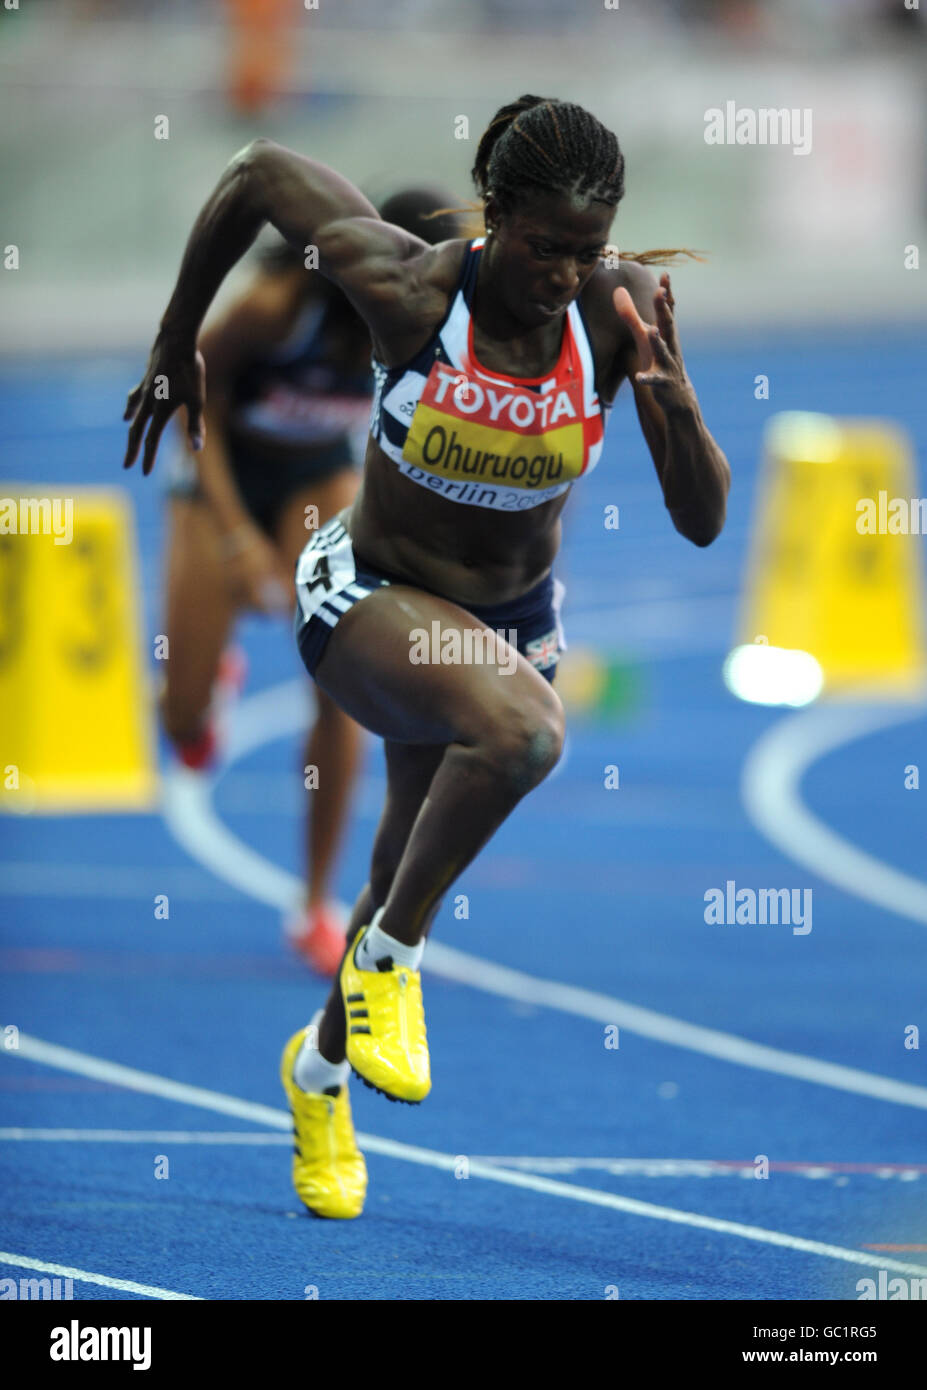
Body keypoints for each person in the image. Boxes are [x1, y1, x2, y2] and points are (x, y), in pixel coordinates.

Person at [124, 94, 731, 1220]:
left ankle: (315, 1075)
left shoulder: (618, 315)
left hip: (508, 627)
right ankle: (395, 966)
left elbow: (700, 521)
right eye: (545, 246)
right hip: (369, 593)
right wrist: (174, 343)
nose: (565, 272)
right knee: (528, 734)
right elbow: (257, 167)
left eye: (588, 250)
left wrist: (676, 405)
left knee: (395, 874)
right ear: (492, 214)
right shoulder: (407, 286)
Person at [159, 189, 463, 975]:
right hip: (221, 468)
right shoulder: (274, 307)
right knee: (181, 722)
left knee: (342, 679)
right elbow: (192, 398)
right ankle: (202, 689)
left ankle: (316, 903)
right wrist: (234, 542)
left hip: (316, 478)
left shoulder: (438, 328)